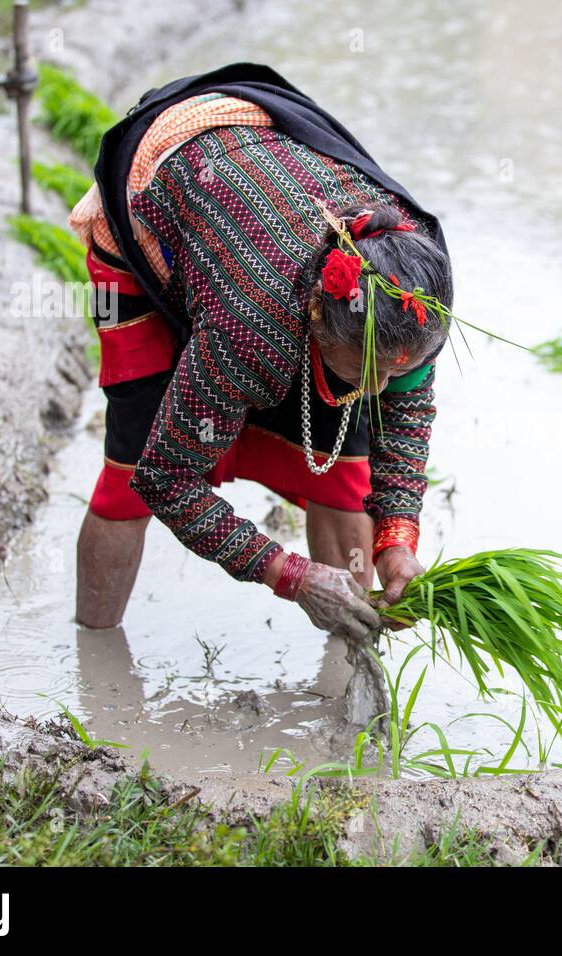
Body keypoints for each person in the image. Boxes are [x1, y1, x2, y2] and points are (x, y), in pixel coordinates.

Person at [68, 65, 454, 642]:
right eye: (367, 372)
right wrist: (289, 575)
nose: (379, 390)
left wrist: (396, 543)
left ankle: (351, 670)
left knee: (343, 468)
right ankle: (94, 664)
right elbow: (165, 481)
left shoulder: (413, 290)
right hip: (151, 211)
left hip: (265, 204)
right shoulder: (254, 325)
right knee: (130, 464)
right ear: (317, 319)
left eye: (395, 371)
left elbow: (405, 418)